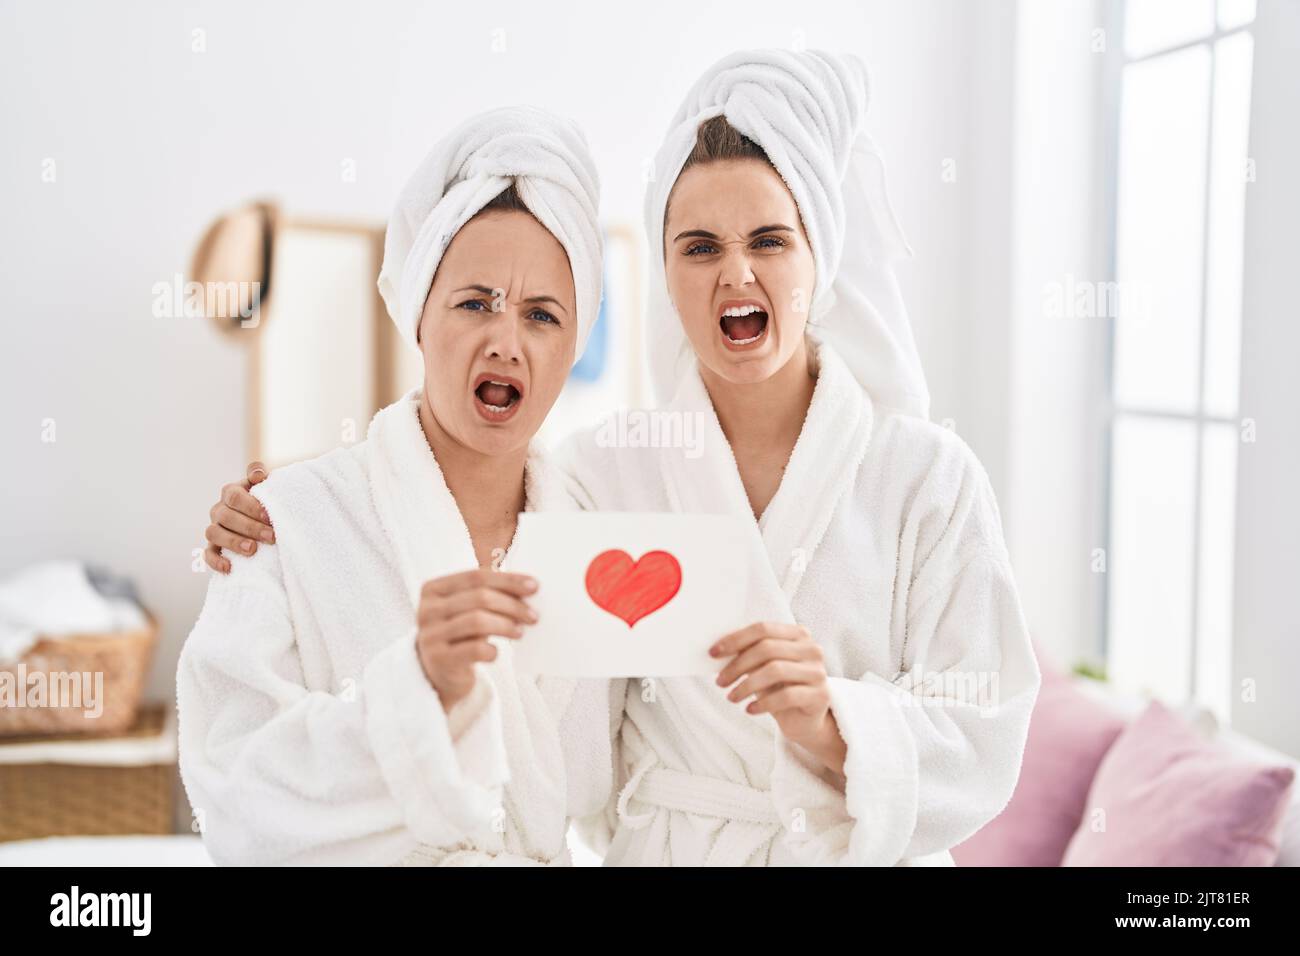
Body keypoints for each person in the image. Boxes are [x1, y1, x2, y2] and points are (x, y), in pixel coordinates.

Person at [199, 50, 1041, 868]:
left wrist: (836, 721)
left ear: (819, 260)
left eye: (772, 241)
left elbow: (988, 723)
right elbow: (432, 490)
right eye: (700, 246)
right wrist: (291, 504)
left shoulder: (927, 480)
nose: (734, 272)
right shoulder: (607, 477)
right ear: (666, 277)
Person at [177, 105, 618, 866]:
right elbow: (231, 796)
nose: (506, 342)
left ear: (571, 345)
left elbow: (649, 783)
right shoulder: (286, 522)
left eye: (543, 316)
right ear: (418, 317)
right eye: (475, 302)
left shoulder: (596, 538)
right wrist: (414, 694)